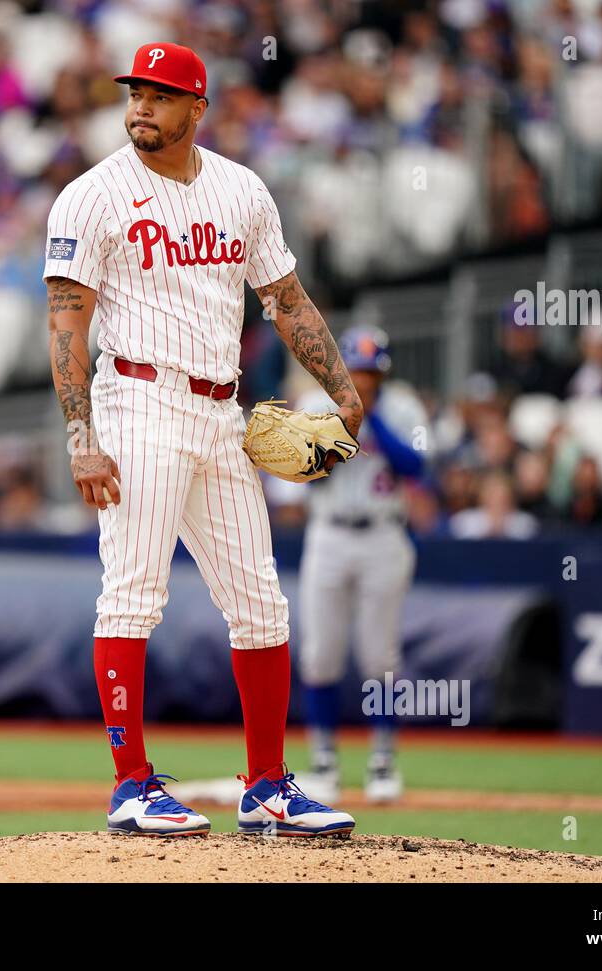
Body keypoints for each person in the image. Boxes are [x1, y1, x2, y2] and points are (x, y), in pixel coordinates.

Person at [43, 42, 364, 838]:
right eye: (135, 93)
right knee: (133, 593)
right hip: (137, 402)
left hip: (223, 415)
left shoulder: (240, 190)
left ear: (197, 108)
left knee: (260, 602)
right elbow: (66, 325)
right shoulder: (90, 197)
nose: (141, 106)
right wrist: (82, 435)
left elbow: (286, 299)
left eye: (160, 94)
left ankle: (266, 785)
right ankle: (131, 784)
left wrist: (346, 394)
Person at [290, 327, 428, 804]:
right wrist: (335, 435)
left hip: (383, 533)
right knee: (320, 653)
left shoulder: (404, 407)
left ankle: (383, 761)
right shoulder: (315, 402)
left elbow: (417, 467)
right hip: (328, 531)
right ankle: (325, 761)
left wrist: (369, 421)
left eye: (371, 372)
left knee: (380, 657)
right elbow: (305, 476)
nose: (364, 379)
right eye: (357, 370)